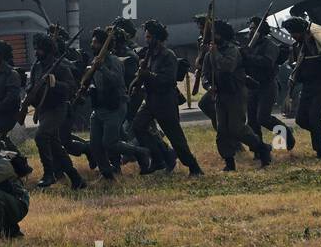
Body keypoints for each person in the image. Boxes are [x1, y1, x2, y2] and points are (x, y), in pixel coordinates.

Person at [131, 20, 202, 176]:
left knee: (176, 138)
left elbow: (167, 81)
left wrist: (147, 74)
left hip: (165, 102)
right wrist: (136, 83)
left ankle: (193, 166)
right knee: (137, 126)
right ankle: (159, 157)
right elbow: (143, 75)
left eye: (149, 37)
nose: (147, 40)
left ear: (157, 38)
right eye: (146, 37)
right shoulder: (149, 55)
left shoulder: (167, 55)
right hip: (150, 100)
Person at [80, 28, 152, 181]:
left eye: (95, 43)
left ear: (103, 45)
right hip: (99, 108)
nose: (92, 45)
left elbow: (117, 81)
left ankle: (140, 152)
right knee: (95, 145)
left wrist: (102, 68)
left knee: (110, 143)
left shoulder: (114, 62)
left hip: (115, 107)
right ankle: (107, 174)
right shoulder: (94, 62)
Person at [204, 20, 272, 170]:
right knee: (222, 131)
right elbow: (205, 74)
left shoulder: (232, 50)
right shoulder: (210, 52)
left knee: (237, 128)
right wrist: (209, 86)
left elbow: (228, 67)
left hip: (235, 93)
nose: (212, 35)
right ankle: (229, 162)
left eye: (215, 33)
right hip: (220, 94)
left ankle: (261, 148)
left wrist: (215, 53)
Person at [24, 33, 85, 190]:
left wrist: (55, 83)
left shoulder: (61, 67)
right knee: (55, 145)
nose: (36, 52)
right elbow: (29, 85)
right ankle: (76, 179)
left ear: (47, 50)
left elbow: (72, 88)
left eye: (39, 49)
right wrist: (31, 90)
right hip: (43, 109)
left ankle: (48, 173)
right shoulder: (36, 66)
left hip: (58, 108)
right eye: (35, 48)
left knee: (41, 136)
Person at [283, 17, 321, 158]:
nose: (293, 35)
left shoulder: (316, 43)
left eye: (295, 32)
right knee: (301, 120)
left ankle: (320, 152)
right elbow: (293, 66)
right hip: (307, 86)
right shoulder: (295, 47)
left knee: (314, 119)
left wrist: (311, 43)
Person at [244, 17, 295, 151]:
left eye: (253, 28)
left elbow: (267, 62)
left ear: (260, 30)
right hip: (252, 86)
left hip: (267, 86)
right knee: (252, 122)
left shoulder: (270, 45)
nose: (250, 31)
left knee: (263, 118)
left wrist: (248, 57)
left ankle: (286, 133)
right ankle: (259, 149)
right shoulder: (250, 45)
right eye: (250, 28)